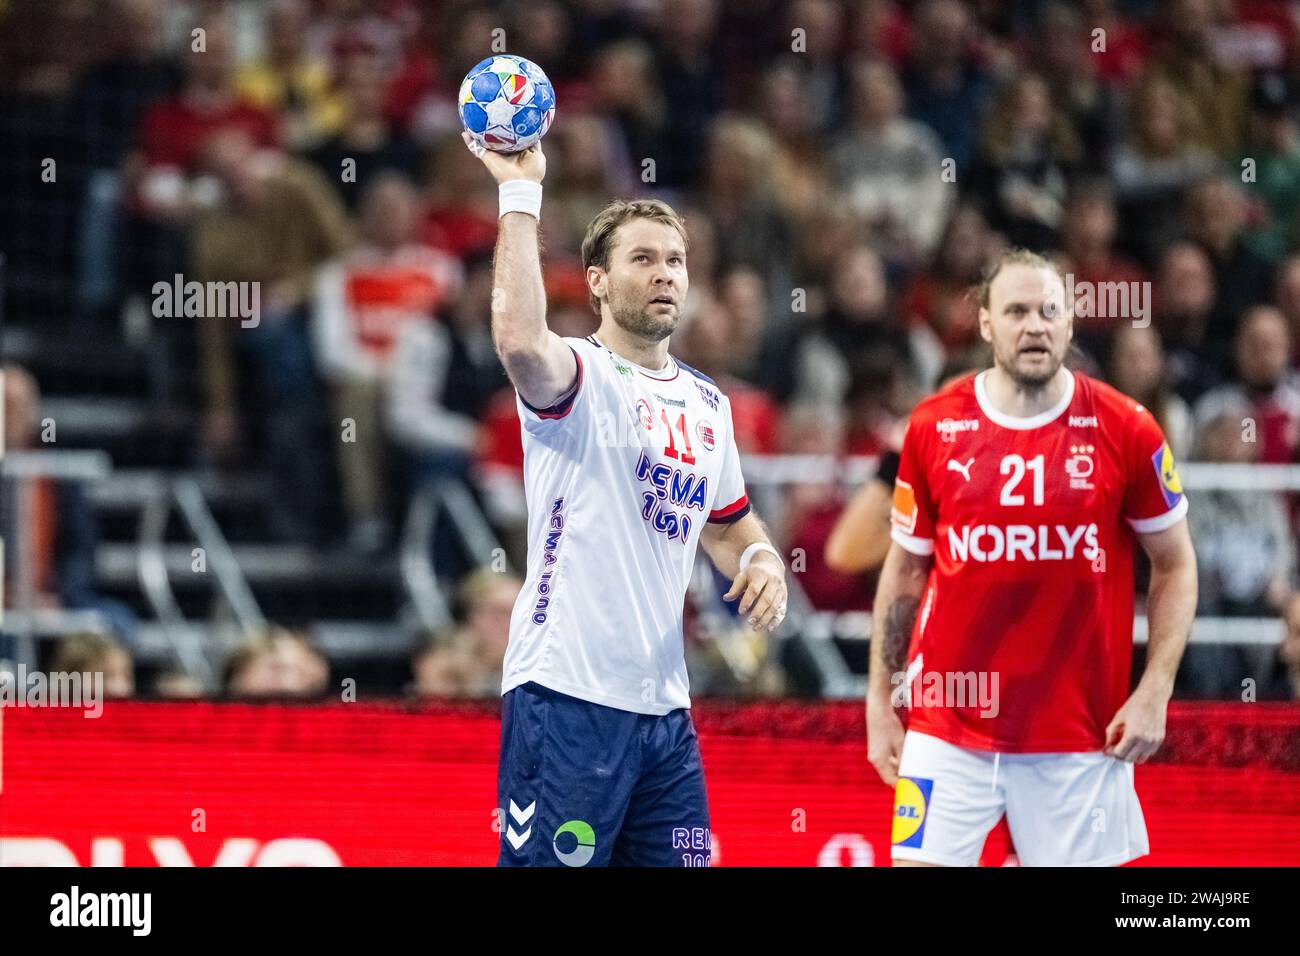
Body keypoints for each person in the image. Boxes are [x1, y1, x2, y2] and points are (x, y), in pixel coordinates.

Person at [464, 131, 788, 867]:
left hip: (664, 712)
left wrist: (764, 559)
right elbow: (518, 340)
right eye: (642, 259)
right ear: (599, 281)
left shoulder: (709, 403)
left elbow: (729, 524)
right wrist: (519, 193)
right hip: (567, 693)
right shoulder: (578, 374)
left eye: (675, 260)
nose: (665, 273)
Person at [867, 249, 1198, 867]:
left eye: (1049, 311)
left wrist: (1155, 688)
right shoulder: (934, 427)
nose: (1035, 325)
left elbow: (1176, 564)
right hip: (947, 726)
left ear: (1071, 322)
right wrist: (881, 702)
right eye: (1016, 311)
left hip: (1080, 735)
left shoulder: (1128, 428)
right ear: (987, 324)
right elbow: (907, 569)